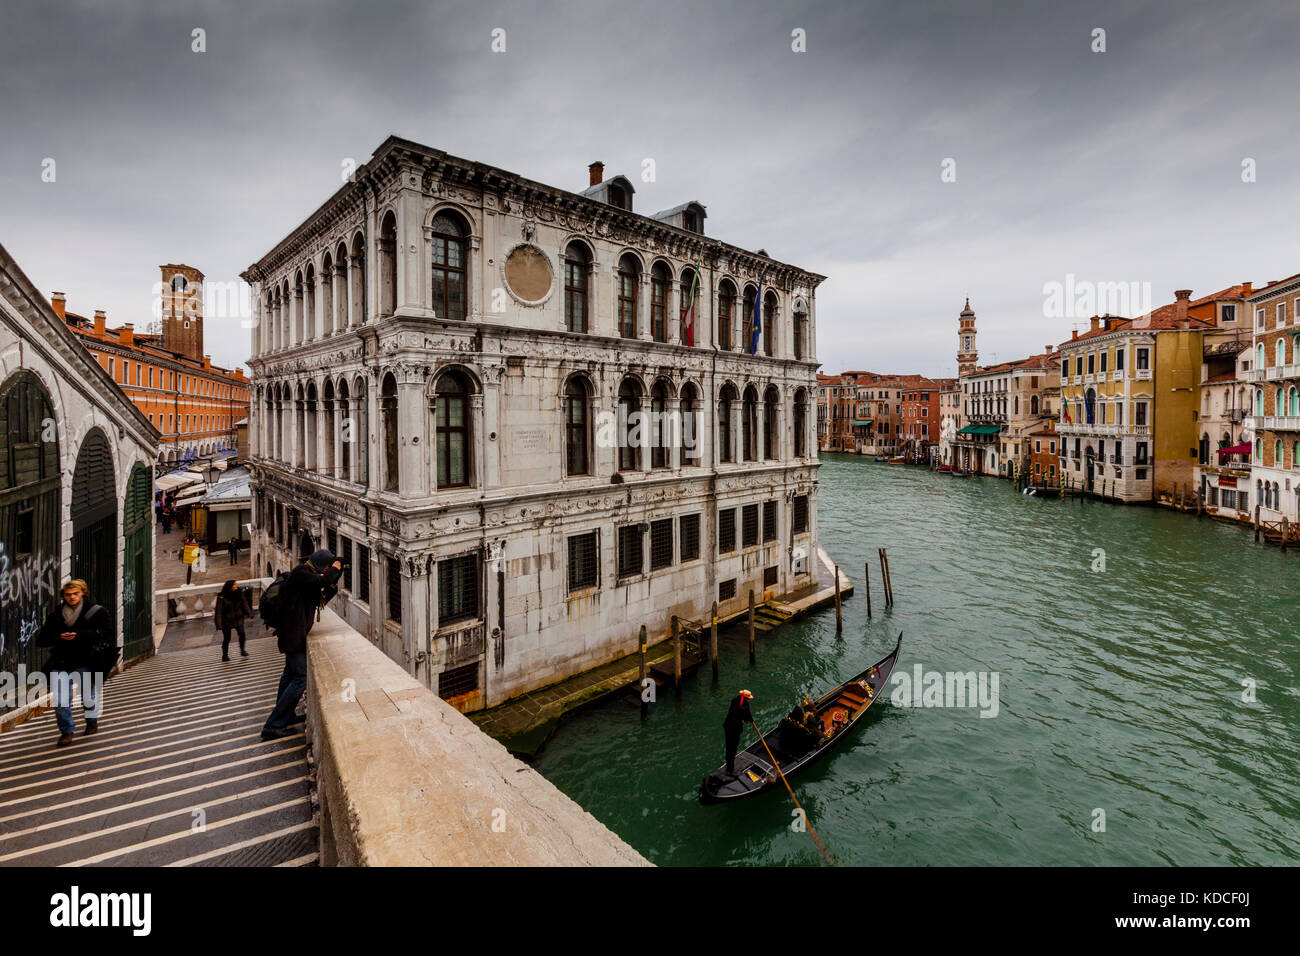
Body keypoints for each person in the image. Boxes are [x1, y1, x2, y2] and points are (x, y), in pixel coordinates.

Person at [261, 549, 342, 740]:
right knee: (300, 678)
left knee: (290, 674)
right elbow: (321, 582)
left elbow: (320, 598)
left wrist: (333, 581)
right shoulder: (300, 574)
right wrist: (335, 569)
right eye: (328, 567)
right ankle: (274, 725)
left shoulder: (307, 578)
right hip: (292, 634)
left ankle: (285, 716)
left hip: (293, 633)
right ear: (322, 565)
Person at [35, 579, 111, 748]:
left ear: (83, 592)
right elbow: (41, 640)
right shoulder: (56, 615)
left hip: (88, 660)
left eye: (75, 594)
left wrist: (79, 635)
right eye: (68, 595)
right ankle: (67, 731)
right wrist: (59, 637)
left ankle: (92, 721)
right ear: (63, 596)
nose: (72, 597)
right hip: (61, 662)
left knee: (89, 696)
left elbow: (106, 633)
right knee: (61, 700)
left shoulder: (97, 612)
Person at [215, 579, 252, 661]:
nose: (236, 586)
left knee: (242, 633)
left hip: (238, 618)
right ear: (230, 587)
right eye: (234, 585)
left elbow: (244, 603)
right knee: (227, 638)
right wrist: (219, 624)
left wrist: (249, 612)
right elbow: (218, 611)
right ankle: (225, 656)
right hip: (227, 620)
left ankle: (242, 650)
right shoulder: (222, 596)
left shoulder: (239, 592)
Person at [722, 689, 754, 775]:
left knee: (728, 747)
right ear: (747, 698)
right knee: (733, 749)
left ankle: (729, 767)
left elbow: (737, 712)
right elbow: (748, 718)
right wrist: (750, 720)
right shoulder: (745, 705)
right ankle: (730, 770)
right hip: (735, 729)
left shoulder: (734, 700)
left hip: (727, 725)